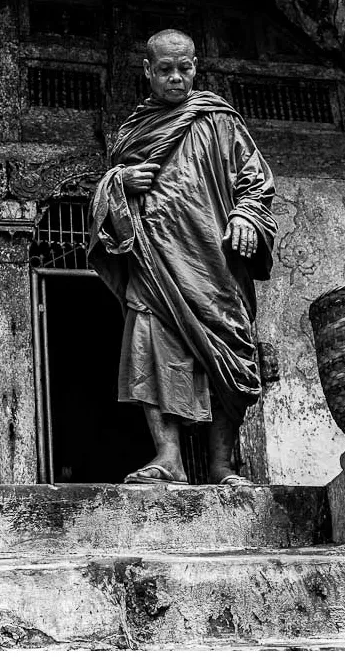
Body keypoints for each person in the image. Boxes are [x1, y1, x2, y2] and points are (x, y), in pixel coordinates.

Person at [88, 29, 277, 486]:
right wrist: (119, 181)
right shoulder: (133, 130)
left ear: (196, 66)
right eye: (166, 70)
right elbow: (108, 192)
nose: (176, 78)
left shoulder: (218, 120)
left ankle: (221, 465)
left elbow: (255, 180)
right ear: (148, 71)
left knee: (229, 353)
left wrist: (248, 217)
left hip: (214, 261)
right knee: (149, 351)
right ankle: (168, 456)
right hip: (154, 266)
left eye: (185, 68)